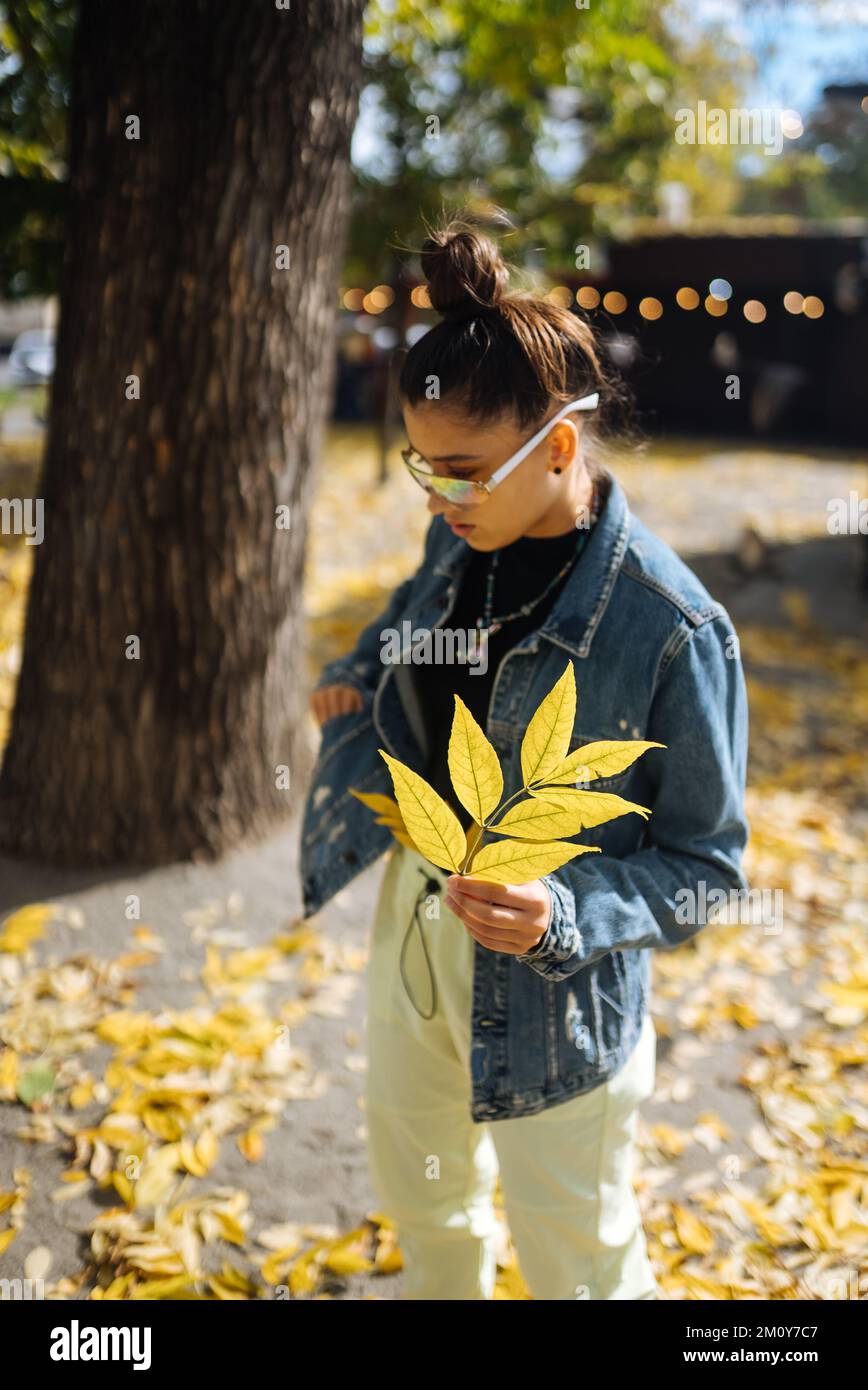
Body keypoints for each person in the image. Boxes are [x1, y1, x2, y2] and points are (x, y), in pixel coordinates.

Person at [300, 210, 750, 1301]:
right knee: (426, 1202)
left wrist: (563, 911)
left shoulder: (673, 629)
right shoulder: (459, 538)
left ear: (555, 448)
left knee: (577, 1263)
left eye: (460, 472)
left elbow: (708, 871)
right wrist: (355, 676)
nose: (435, 498)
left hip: (561, 994)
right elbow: (403, 625)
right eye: (420, 467)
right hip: (415, 922)